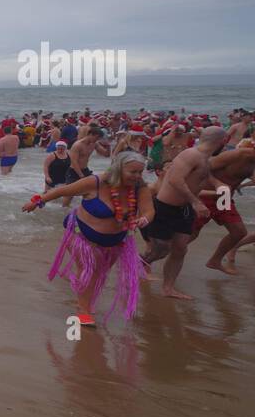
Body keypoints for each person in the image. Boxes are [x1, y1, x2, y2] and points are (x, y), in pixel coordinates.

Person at [23, 151, 152, 325]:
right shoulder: (95, 182)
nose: (137, 176)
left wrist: (143, 219)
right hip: (80, 235)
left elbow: (148, 210)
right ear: (118, 168)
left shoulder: (139, 187)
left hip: (116, 241)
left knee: (100, 273)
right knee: (89, 270)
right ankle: (83, 310)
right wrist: (37, 201)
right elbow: (62, 190)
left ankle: (84, 299)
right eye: (132, 172)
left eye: (140, 172)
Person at [140, 125, 227, 300]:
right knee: (161, 249)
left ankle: (168, 288)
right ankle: (136, 264)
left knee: (180, 249)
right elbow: (174, 179)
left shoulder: (205, 159)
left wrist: (219, 185)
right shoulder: (190, 154)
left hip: (184, 210)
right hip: (165, 207)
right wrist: (196, 202)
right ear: (222, 142)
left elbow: (204, 176)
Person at [195, 141, 255, 273]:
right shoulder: (235, 155)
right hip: (206, 197)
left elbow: (253, 179)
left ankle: (215, 261)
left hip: (225, 199)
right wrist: (217, 183)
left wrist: (240, 185)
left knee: (239, 232)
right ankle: (158, 255)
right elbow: (202, 168)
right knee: (190, 235)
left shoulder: (253, 162)